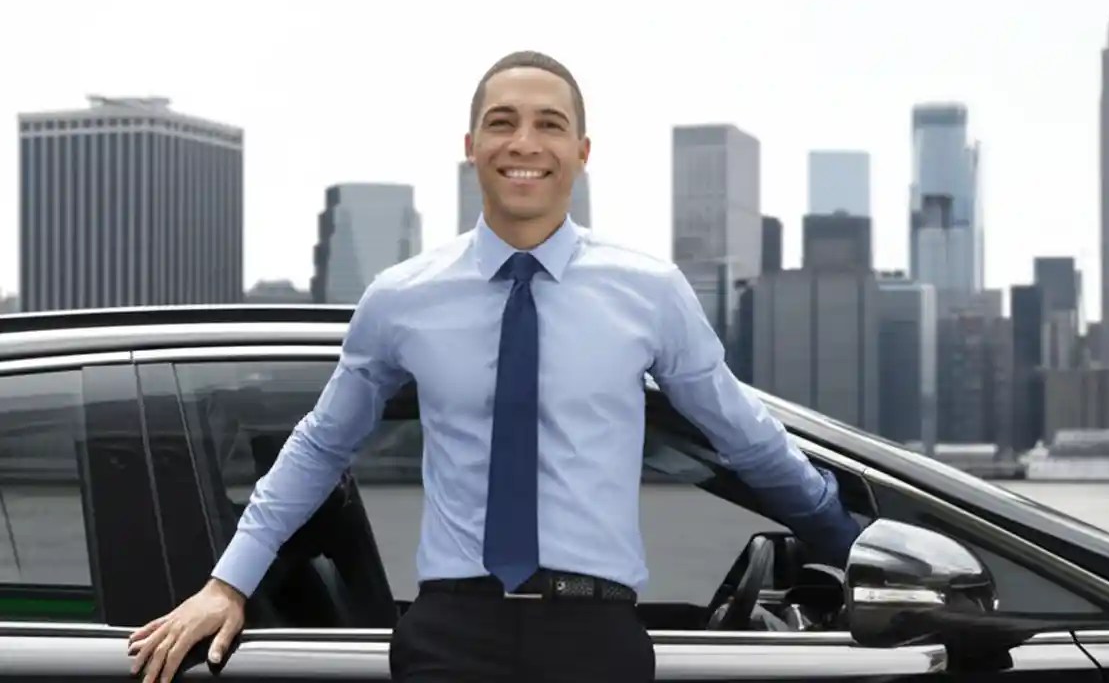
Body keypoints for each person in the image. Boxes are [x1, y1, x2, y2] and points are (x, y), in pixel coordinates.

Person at [126, 50, 865, 683]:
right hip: (450, 635)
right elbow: (322, 445)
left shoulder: (650, 293)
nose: (525, 142)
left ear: (582, 150)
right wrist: (228, 584)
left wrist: (854, 545)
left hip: (596, 638)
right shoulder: (402, 298)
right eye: (502, 122)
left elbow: (744, 437)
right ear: (472, 145)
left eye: (550, 124)